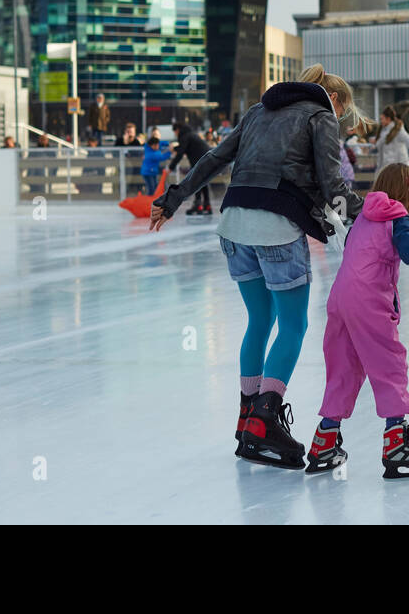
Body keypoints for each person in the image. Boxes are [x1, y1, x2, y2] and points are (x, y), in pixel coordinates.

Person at [150, 63, 365, 467]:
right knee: (294, 325)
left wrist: (173, 198)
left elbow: (214, 159)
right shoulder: (320, 116)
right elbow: (332, 186)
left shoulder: (256, 111)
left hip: (233, 224)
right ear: (333, 99)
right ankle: (265, 420)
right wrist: (372, 210)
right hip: (277, 227)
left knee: (260, 320)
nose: (339, 118)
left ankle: (248, 414)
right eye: (342, 111)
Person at [305, 163, 409, 479]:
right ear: (408, 191)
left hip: (340, 299)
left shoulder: (363, 216)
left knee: (343, 368)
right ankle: (397, 444)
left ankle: (324, 442)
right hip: (369, 301)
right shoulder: (395, 216)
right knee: (389, 366)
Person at [170, 123, 215, 215]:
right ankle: (207, 205)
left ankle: (198, 205)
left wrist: (171, 166)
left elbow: (181, 152)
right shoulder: (191, 135)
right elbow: (184, 148)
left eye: (175, 131)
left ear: (178, 129)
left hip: (200, 161)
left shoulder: (185, 136)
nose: (175, 134)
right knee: (203, 182)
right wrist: (175, 148)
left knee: (196, 182)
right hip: (206, 159)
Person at [375, 106, 409, 171]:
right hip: (388, 166)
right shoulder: (384, 131)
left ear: (388, 119)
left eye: (382, 119)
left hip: (400, 166)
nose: (381, 121)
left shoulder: (399, 131)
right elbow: (379, 145)